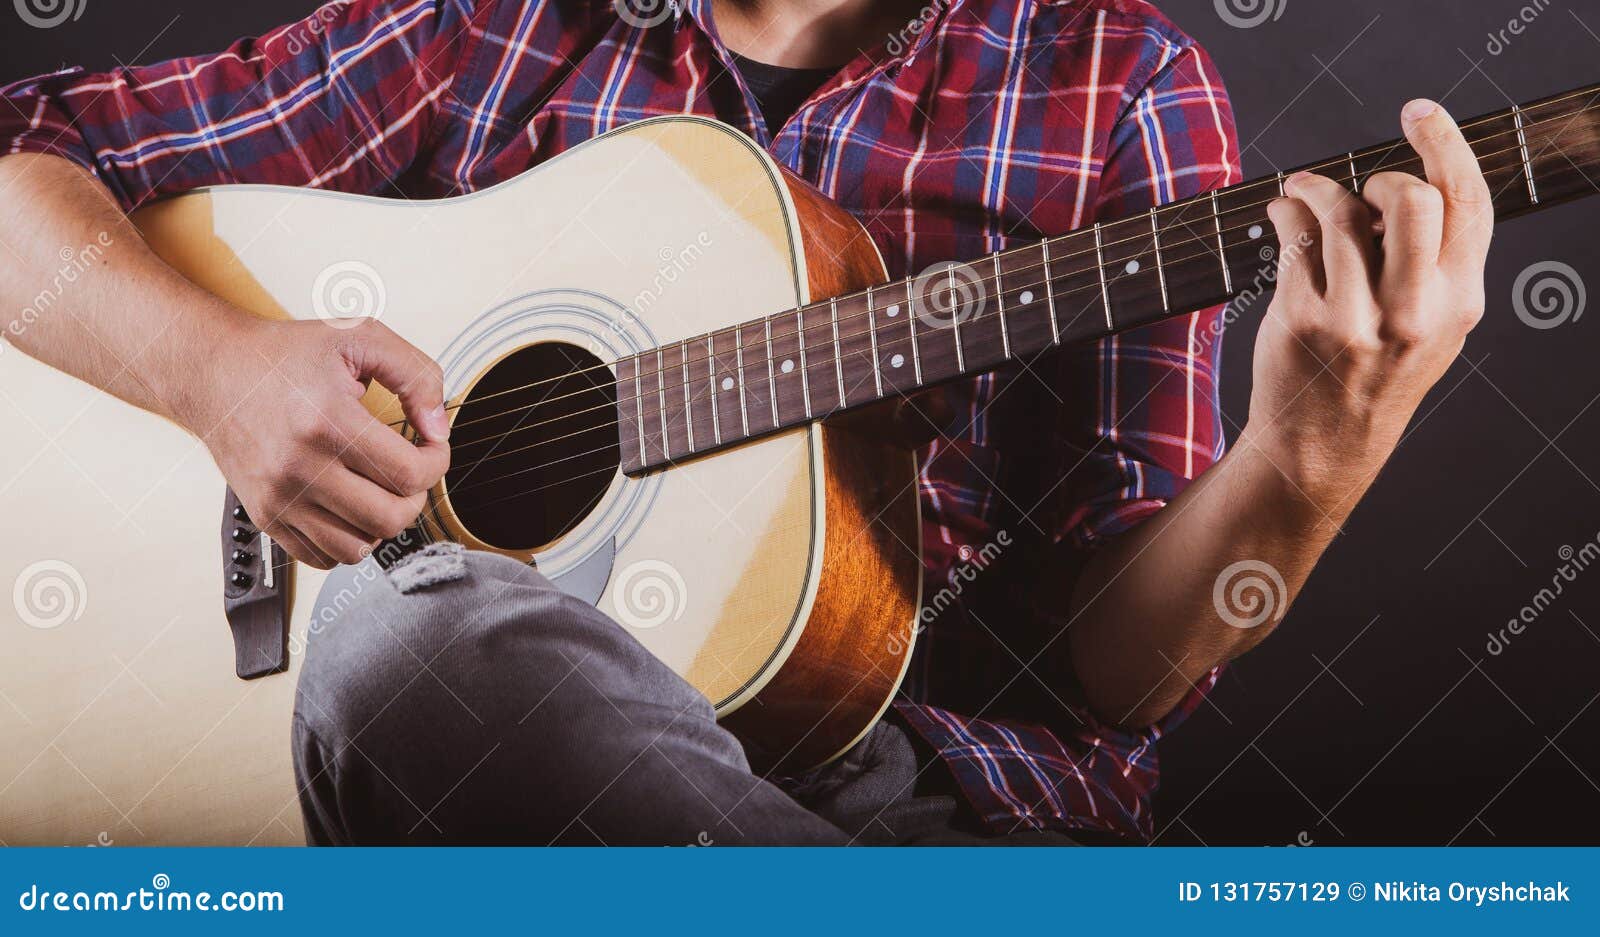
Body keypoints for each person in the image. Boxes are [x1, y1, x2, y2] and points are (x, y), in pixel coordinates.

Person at [0, 0, 1492, 844]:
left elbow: (1101, 674)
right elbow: (21, 173)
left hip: (907, 796)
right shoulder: (504, 25)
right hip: (445, 742)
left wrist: (1303, 467)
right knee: (403, 645)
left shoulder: (1117, 79)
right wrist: (215, 370)